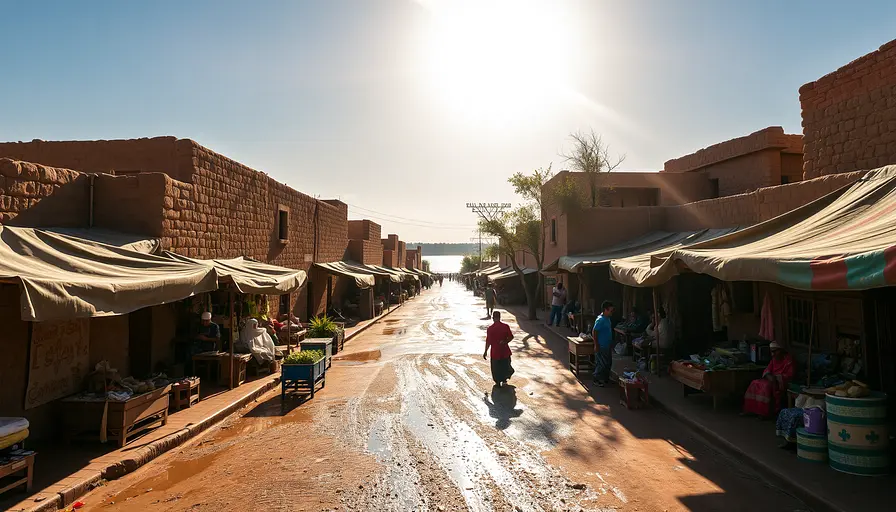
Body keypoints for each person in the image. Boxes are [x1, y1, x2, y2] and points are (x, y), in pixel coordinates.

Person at [743, 342, 795, 419]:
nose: (772, 354)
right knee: (754, 383)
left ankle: (764, 413)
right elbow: (767, 370)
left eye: (775, 351)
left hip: (781, 382)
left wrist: (776, 378)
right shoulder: (774, 360)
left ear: (781, 350)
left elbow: (790, 375)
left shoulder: (789, 361)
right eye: (771, 352)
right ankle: (751, 410)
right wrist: (769, 375)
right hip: (771, 379)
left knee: (766, 387)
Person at [483, 311, 514, 387]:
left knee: (496, 368)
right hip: (504, 351)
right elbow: (511, 337)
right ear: (499, 317)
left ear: (493, 318)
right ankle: (504, 380)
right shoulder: (505, 326)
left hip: (495, 352)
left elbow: (488, 341)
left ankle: (497, 381)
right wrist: (505, 341)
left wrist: (485, 351)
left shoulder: (490, 329)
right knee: (505, 366)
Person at [592, 301, 615, 386]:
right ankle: (596, 379)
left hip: (607, 345)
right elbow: (594, 331)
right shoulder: (600, 320)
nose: (612, 312)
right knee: (601, 364)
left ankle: (605, 379)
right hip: (601, 345)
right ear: (605, 310)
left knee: (608, 363)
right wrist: (596, 344)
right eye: (611, 310)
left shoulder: (607, 318)